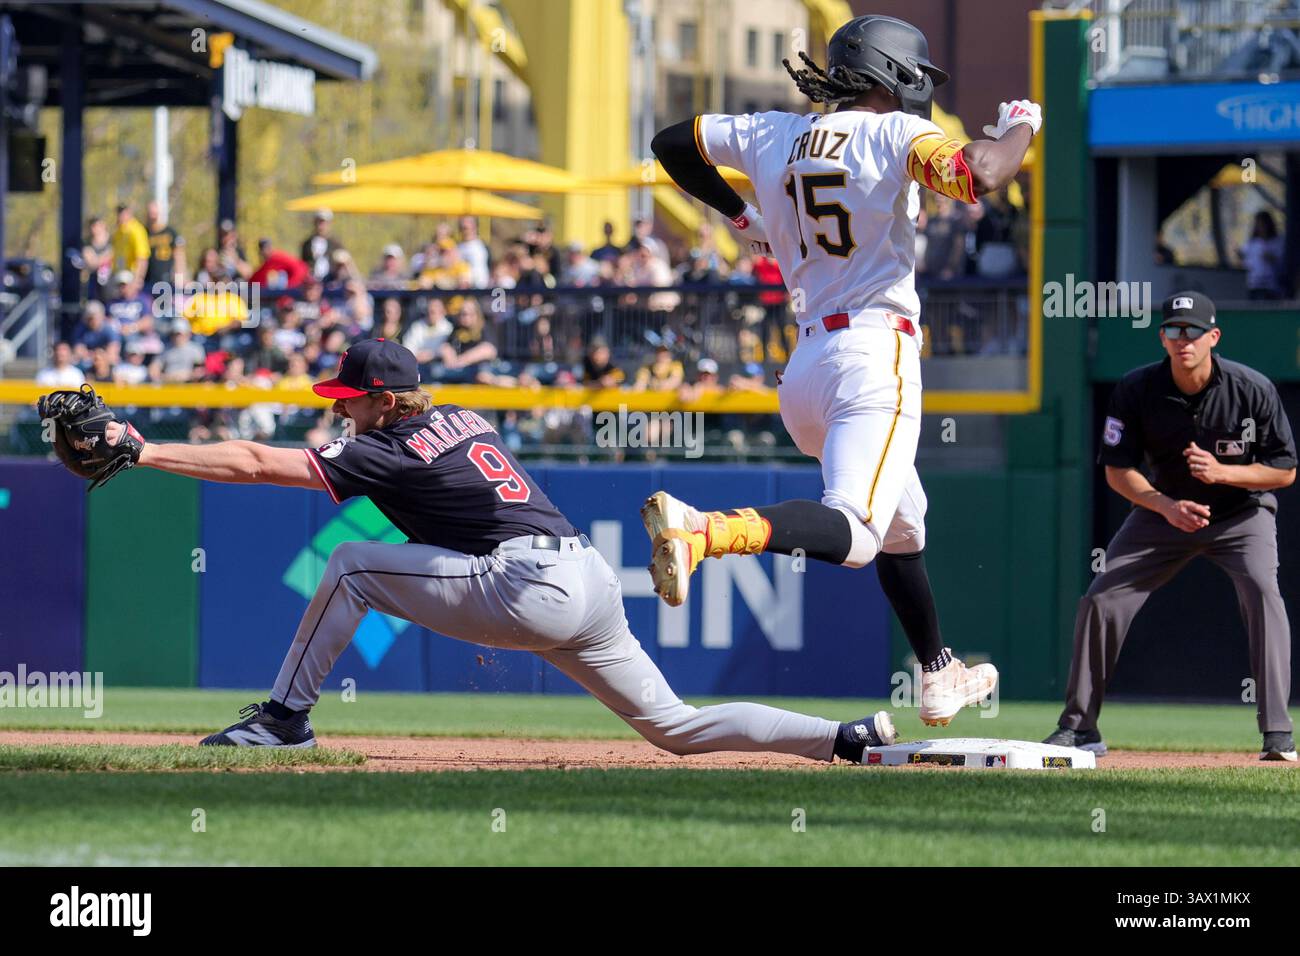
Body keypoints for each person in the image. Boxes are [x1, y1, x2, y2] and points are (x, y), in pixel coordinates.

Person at [86, 338, 897, 763]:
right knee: (676, 726)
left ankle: (283, 721)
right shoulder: (468, 419)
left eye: (350, 401)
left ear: (383, 400)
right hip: (586, 577)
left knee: (348, 564)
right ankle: (843, 739)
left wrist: (142, 446)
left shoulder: (386, 444)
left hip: (524, 585)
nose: (343, 413)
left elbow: (261, 463)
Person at [648, 15, 1040, 725]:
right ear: (895, 73)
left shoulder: (773, 131)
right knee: (858, 534)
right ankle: (702, 530)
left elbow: (671, 144)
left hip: (804, 372)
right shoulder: (894, 134)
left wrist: (742, 216)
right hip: (872, 356)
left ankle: (937, 671)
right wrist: (1022, 126)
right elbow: (981, 173)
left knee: (904, 526)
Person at [1044, 292, 1297, 761]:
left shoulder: (1251, 388)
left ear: (1212, 337)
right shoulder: (1138, 388)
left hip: (1240, 515)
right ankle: (1080, 728)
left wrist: (1224, 474)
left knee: (1264, 592)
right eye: (1175, 330)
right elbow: (1117, 470)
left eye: (1194, 331)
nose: (1184, 339)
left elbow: (1284, 470)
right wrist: (1164, 505)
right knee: (1101, 598)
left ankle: (1277, 734)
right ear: (1163, 336)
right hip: (1165, 512)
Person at [1240, 210, 1286, 300]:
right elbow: (1245, 258)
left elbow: (1283, 262)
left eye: (1263, 224)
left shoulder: (1278, 242)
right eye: (1258, 224)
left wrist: (1272, 258)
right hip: (1254, 285)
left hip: (1271, 286)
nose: (1261, 227)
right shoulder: (1252, 243)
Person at [144, 200, 186, 292]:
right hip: (148, 281)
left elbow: (179, 255)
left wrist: (179, 277)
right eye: (150, 213)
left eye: (154, 213)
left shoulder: (170, 233)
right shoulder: (143, 233)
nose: (153, 217)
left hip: (166, 281)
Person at [110, 203, 150, 285]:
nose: (120, 216)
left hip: (130, 276)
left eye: (123, 212)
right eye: (119, 213)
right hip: (118, 275)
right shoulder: (118, 232)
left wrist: (137, 280)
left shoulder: (137, 230)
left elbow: (142, 258)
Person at [300, 210, 343, 282]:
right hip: (312, 282)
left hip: (331, 282)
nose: (321, 226)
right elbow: (303, 264)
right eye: (318, 222)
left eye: (323, 223)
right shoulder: (307, 244)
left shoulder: (335, 244)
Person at [458, 216, 491, 288]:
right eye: (462, 228)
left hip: (476, 288)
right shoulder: (458, 247)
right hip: (460, 286)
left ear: (475, 228)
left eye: (466, 228)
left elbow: (479, 272)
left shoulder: (480, 248)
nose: (464, 231)